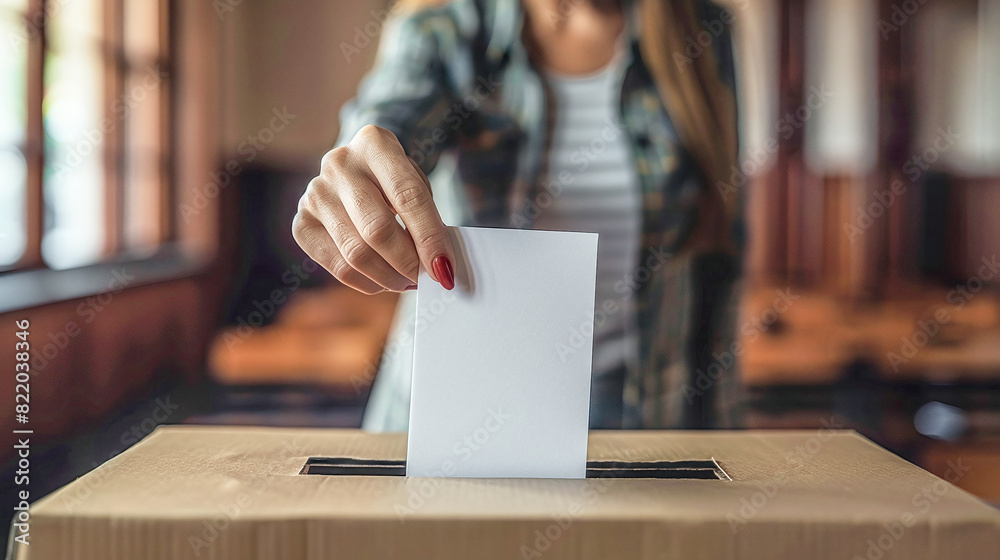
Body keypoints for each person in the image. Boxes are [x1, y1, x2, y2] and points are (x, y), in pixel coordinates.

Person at [292, 0, 744, 430]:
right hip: (455, 416)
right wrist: (358, 168)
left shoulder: (702, 31)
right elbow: (388, 117)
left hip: (644, 424)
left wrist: (727, 446)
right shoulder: (446, 30)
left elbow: (718, 261)